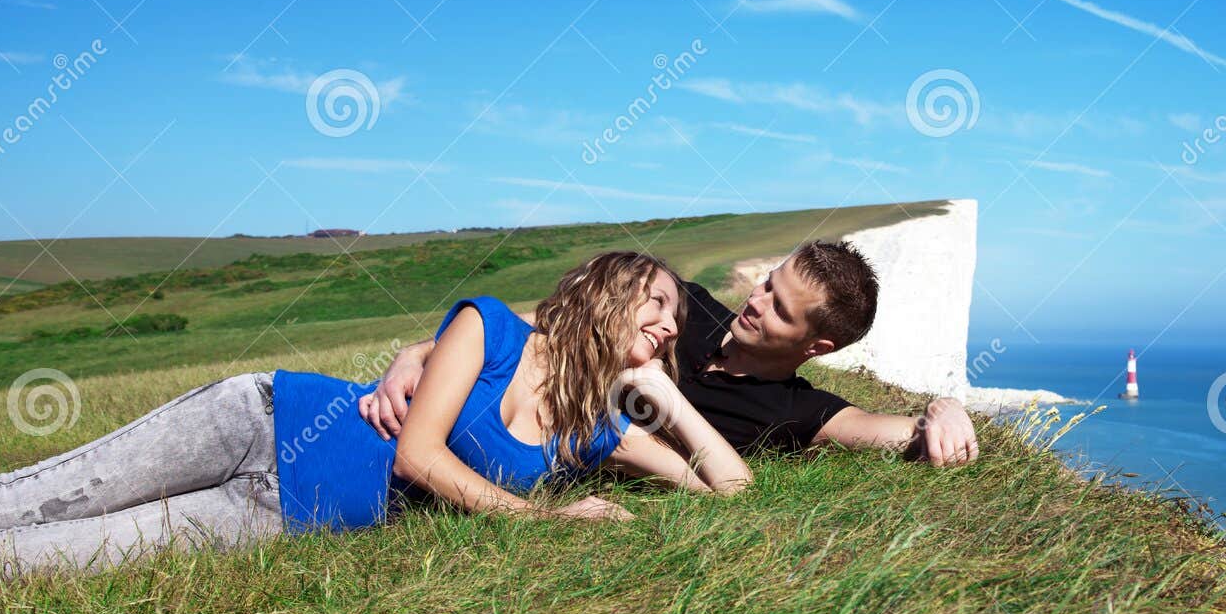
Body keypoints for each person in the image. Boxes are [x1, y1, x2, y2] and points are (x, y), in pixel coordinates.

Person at [0, 252, 747, 578]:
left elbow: (729, 488)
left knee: (31, 560)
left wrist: (670, 398)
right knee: (31, 499)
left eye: (677, 318)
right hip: (261, 421)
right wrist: (546, 520)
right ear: (607, 295)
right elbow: (418, 457)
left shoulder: (600, 429)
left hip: (278, 517)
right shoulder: (488, 328)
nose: (672, 326)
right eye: (658, 305)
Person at [363, 240, 981, 466]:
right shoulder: (682, 305)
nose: (757, 301)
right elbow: (546, 325)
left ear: (814, 346)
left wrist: (945, 407)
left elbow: (895, 433)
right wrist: (421, 350)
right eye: (768, 282)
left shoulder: (796, 411)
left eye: (780, 308)